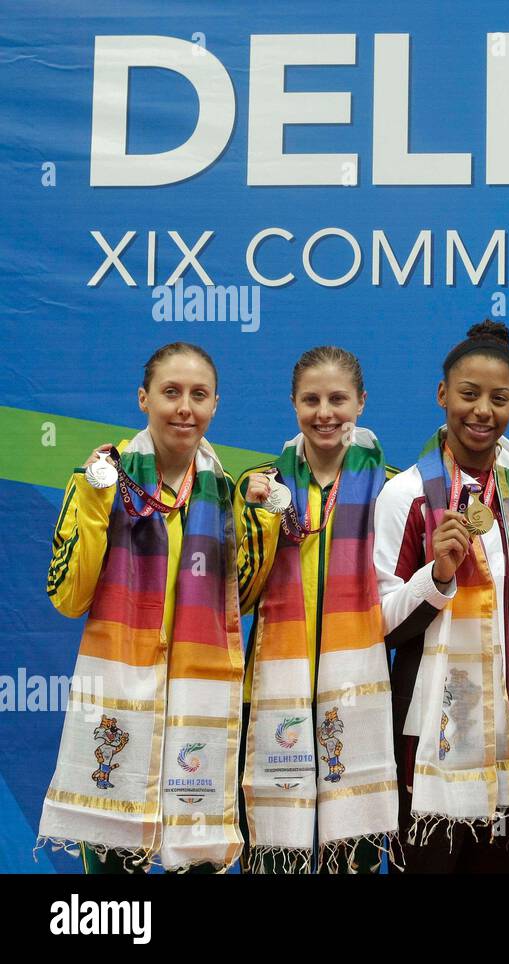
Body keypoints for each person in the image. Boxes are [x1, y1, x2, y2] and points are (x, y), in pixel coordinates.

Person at [38, 342, 244, 873]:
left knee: (198, 864)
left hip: (197, 700)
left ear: (215, 405)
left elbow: (243, 597)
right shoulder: (100, 481)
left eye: (198, 395)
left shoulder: (230, 496)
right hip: (123, 698)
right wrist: (92, 499)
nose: (184, 407)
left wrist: (270, 519)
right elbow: (68, 598)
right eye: (170, 392)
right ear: (143, 398)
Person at [374, 321, 509, 873]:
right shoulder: (405, 493)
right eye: (468, 394)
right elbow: (381, 622)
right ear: (442, 396)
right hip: (429, 731)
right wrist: (438, 575)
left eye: (498, 399)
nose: (482, 411)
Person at [236, 346, 399, 873]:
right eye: (311, 400)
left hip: (359, 695)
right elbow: (236, 597)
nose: (324, 412)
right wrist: (261, 520)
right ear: (293, 405)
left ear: (362, 403)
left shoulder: (394, 488)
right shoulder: (259, 486)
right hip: (272, 693)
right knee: (273, 855)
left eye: (338, 399)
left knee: (352, 858)